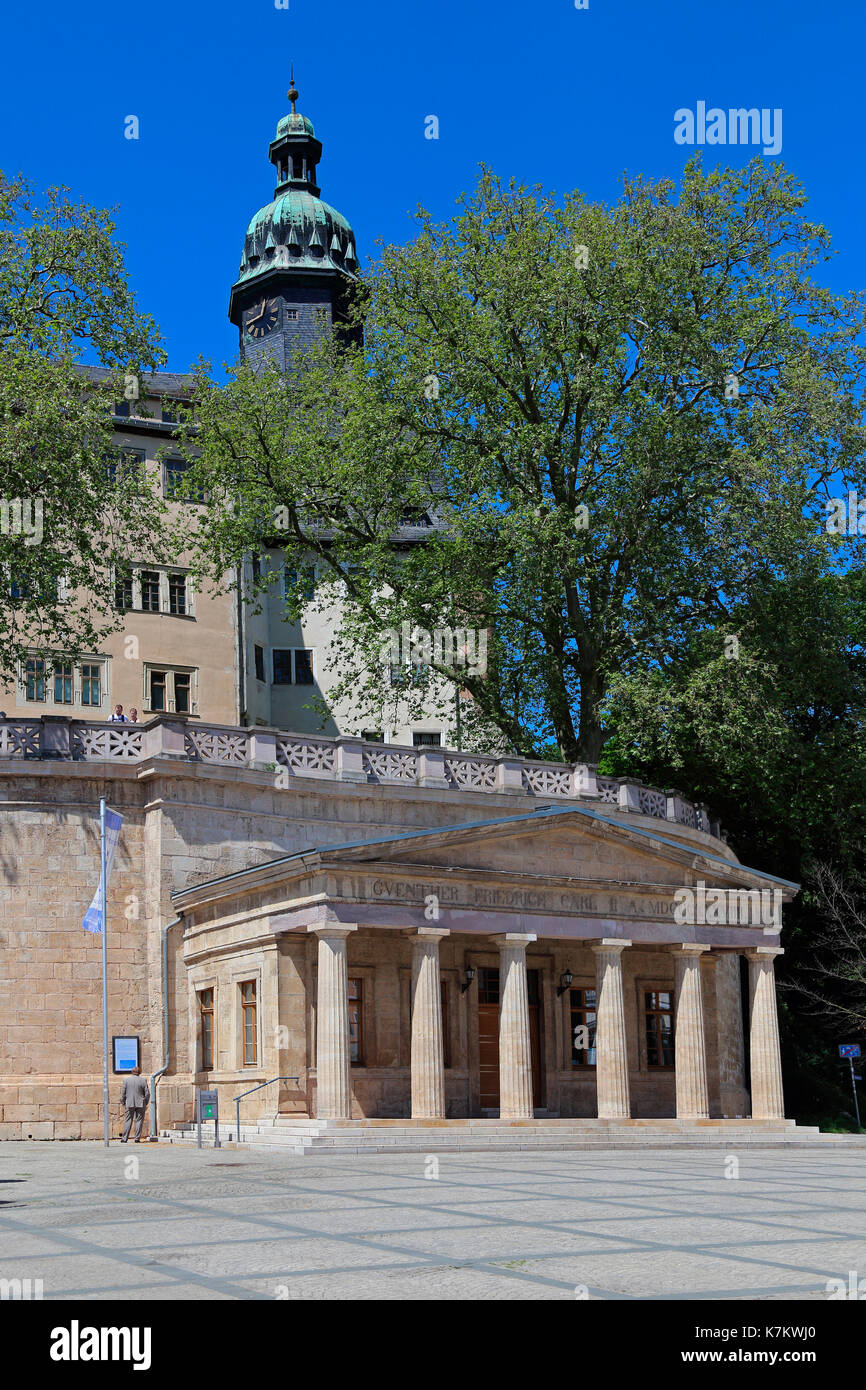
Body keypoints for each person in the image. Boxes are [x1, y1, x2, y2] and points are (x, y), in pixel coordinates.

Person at [120, 1066, 150, 1142]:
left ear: (131, 1072)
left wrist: (123, 1101)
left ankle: (124, 1138)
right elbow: (147, 1093)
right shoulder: (143, 1080)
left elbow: (123, 1093)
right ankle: (137, 1138)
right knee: (139, 1120)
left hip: (129, 1102)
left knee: (128, 1120)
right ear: (139, 1072)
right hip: (140, 1102)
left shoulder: (126, 1080)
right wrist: (145, 1102)